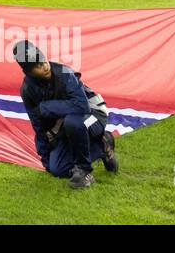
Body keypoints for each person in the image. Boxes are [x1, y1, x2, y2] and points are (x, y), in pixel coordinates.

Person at [13, 40, 117, 189]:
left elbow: (82, 106)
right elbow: (38, 126)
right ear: (28, 72)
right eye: (37, 65)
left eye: (43, 60)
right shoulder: (27, 90)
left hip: (94, 115)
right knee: (57, 169)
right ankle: (103, 145)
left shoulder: (64, 73)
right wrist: (46, 159)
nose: (44, 66)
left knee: (73, 122)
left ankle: (84, 171)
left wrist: (46, 107)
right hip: (67, 126)